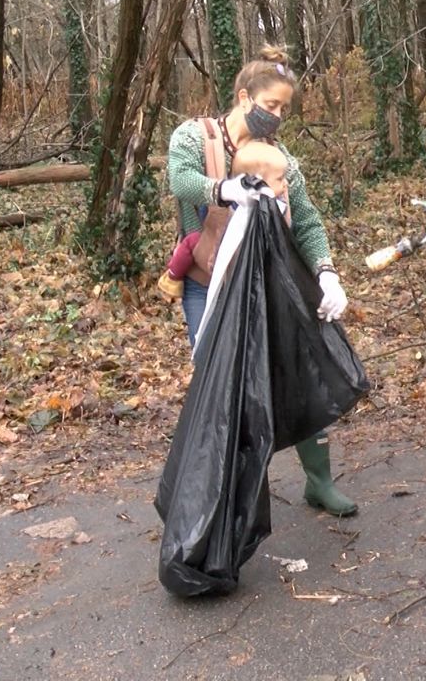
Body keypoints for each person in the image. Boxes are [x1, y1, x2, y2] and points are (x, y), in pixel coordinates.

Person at [166, 46, 356, 517]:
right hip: (209, 285)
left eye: (284, 109)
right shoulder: (195, 137)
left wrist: (326, 272)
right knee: (221, 385)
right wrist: (223, 189)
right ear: (244, 96)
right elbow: (180, 179)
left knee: (300, 370)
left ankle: (319, 481)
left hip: (269, 284)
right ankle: (224, 498)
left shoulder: (280, 157)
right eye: (271, 105)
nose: (277, 116)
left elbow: (305, 219)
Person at [156, 142, 293, 301]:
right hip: (225, 258)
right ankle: (173, 276)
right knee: (192, 242)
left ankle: (173, 276)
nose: (286, 183)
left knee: (191, 241)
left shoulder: (273, 206)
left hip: (242, 267)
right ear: (257, 182)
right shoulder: (248, 205)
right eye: (280, 179)